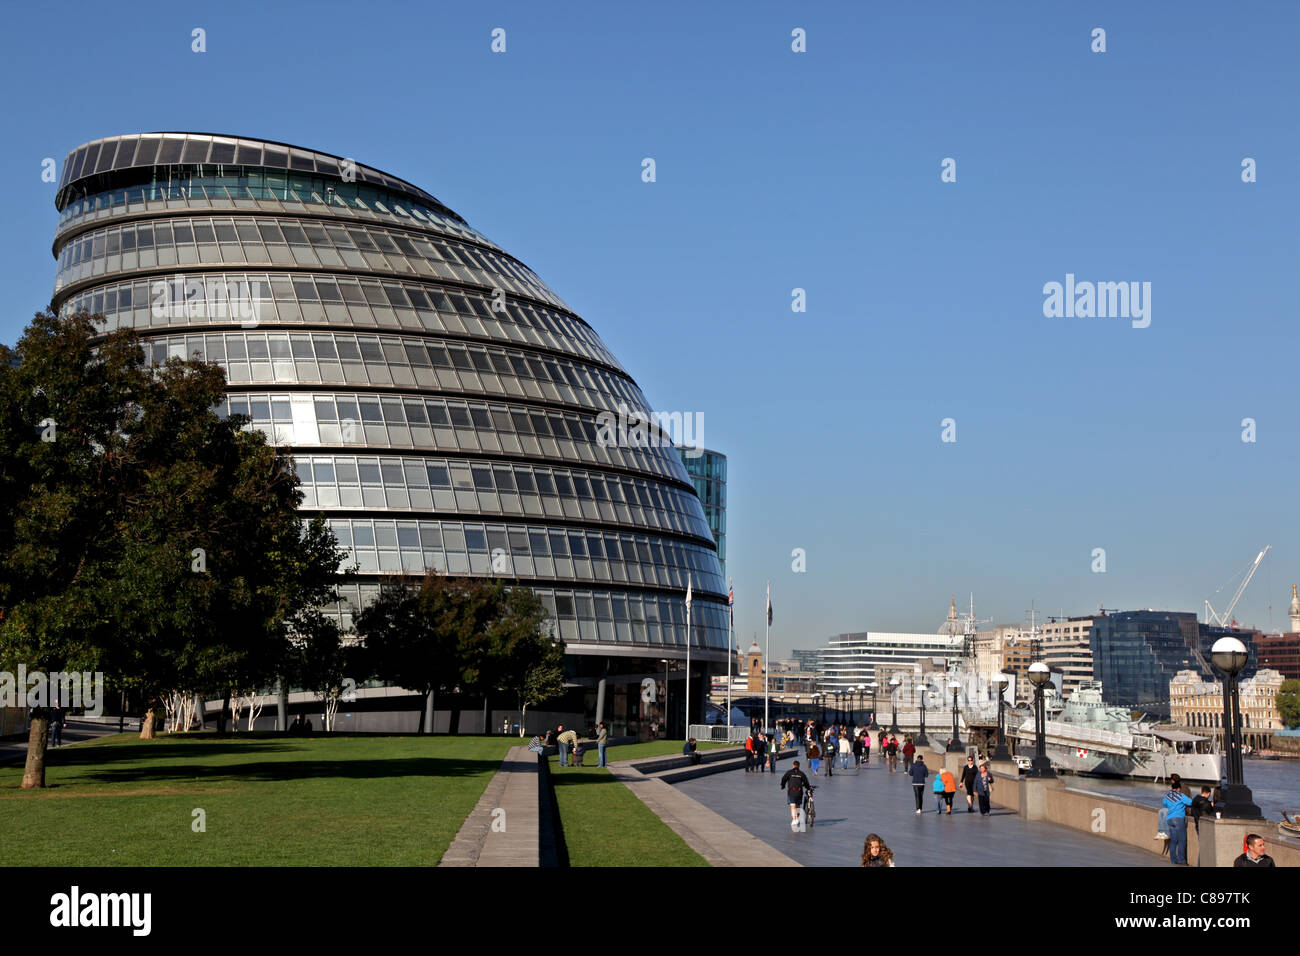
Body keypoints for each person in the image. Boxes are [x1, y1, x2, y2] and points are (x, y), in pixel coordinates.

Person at [1161, 779, 1194, 865]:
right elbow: (1190, 802)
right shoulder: (1181, 795)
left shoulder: (1167, 796)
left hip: (1169, 819)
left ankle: (1173, 860)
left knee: (1173, 841)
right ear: (1179, 788)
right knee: (1182, 840)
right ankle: (1181, 860)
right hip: (1179, 819)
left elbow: (1164, 805)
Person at [780, 760, 812, 831]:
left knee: (792, 805)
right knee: (797, 805)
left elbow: (783, 779)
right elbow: (806, 782)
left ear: (793, 765)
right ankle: (797, 819)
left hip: (792, 791)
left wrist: (783, 786)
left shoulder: (789, 772)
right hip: (799, 791)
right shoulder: (801, 773)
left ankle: (795, 819)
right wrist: (808, 788)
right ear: (799, 766)